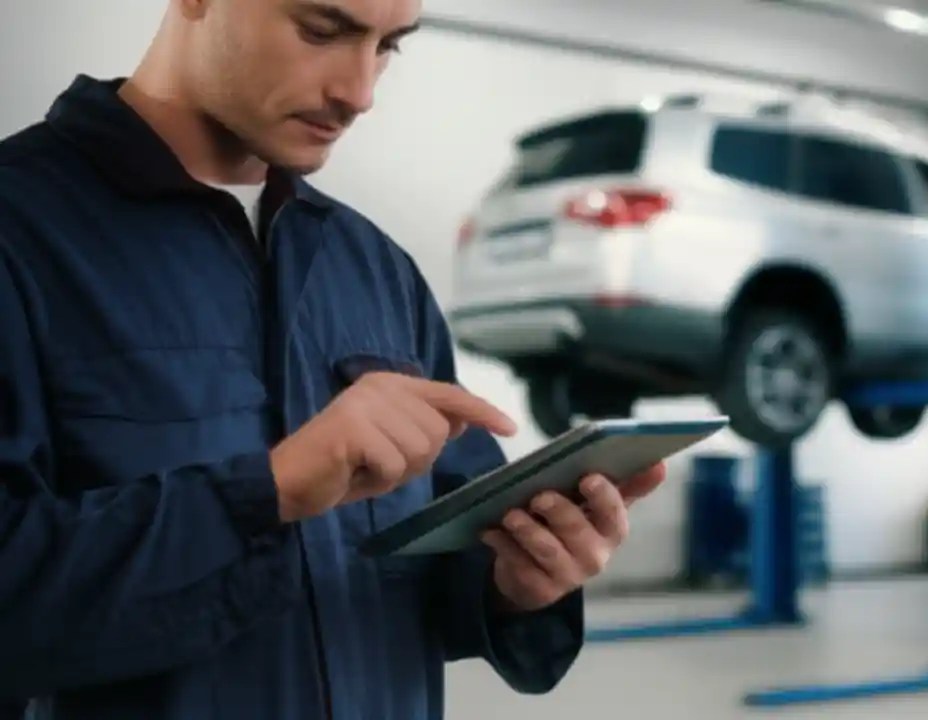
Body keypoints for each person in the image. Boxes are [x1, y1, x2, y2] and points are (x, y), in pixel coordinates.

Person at [0, 0, 668, 717]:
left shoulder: (376, 271)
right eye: (322, 30)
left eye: (389, 47)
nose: (360, 93)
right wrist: (274, 490)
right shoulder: (21, 230)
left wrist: (517, 579)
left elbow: (432, 564)